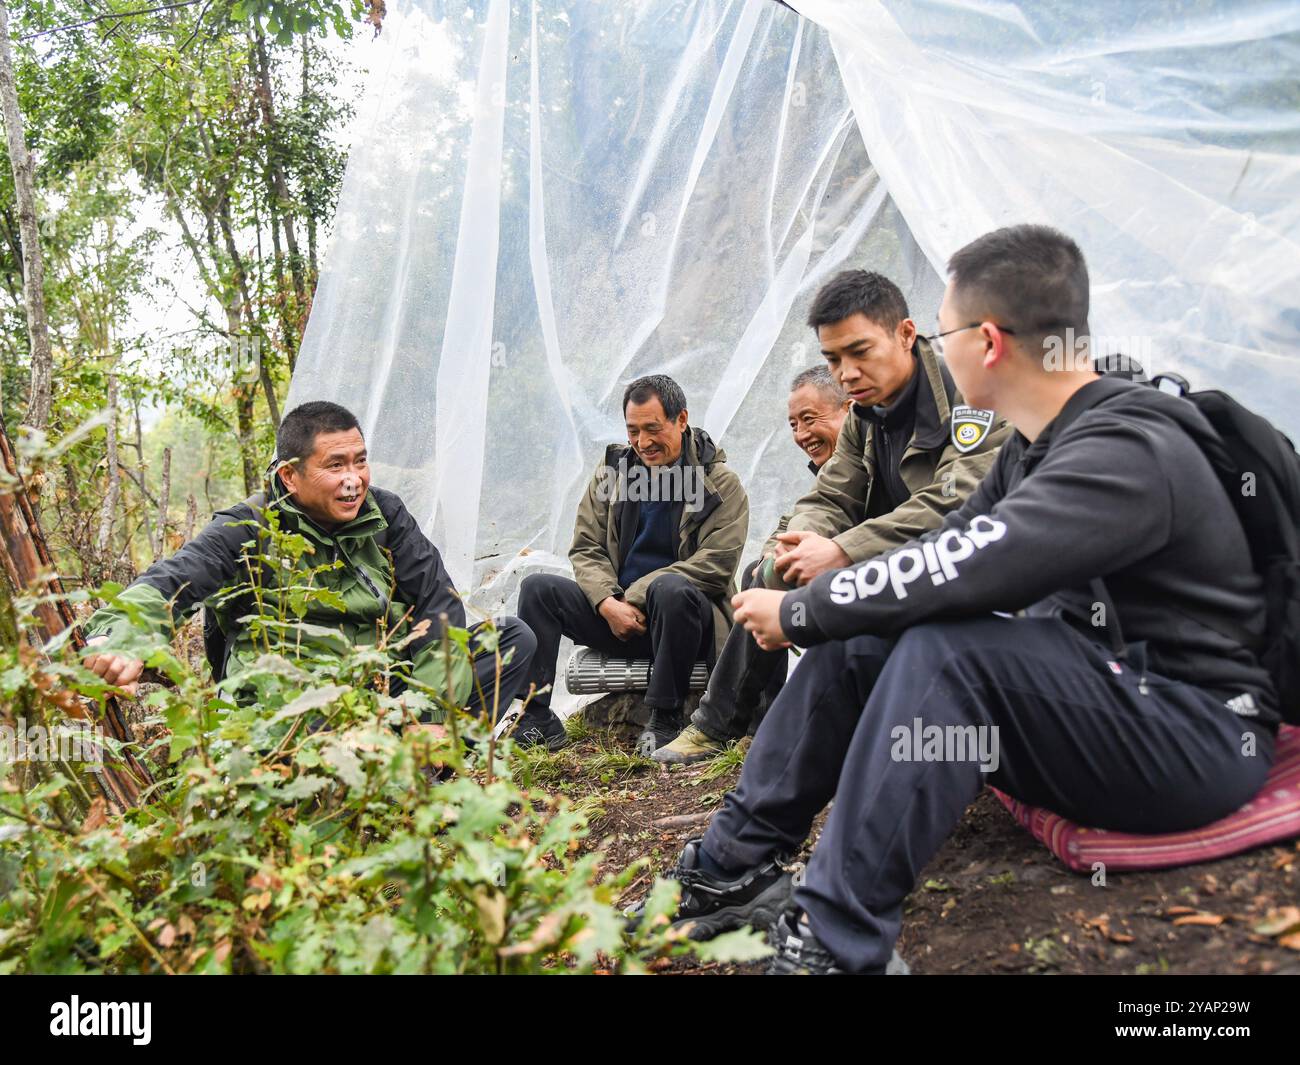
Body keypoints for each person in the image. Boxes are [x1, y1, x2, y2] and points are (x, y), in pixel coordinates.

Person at [649, 225, 1279, 974]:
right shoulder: (1037, 444)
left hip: (1191, 736)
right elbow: (950, 541)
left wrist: (802, 612)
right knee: (868, 639)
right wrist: (827, 604)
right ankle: (732, 863)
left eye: (942, 332)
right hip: (1100, 700)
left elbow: (971, 561)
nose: (935, 351)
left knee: (949, 652)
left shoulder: (1127, 451)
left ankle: (835, 940)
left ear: (986, 341)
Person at [654, 270, 1008, 764]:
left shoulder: (972, 397)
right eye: (833, 359)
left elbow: (955, 503)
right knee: (776, 568)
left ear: (906, 334)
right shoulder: (866, 414)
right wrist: (800, 540)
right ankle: (719, 726)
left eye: (860, 352)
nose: (846, 374)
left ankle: (813, 732)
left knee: (829, 605)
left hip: (964, 568)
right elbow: (831, 496)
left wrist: (843, 549)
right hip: (889, 562)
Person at [82, 401, 536, 726]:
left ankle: (428, 765)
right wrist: (123, 638)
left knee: (511, 638)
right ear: (289, 475)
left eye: (360, 462)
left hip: (381, 684)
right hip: (291, 698)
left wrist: (433, 713)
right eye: (335, 466)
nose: (353, 480)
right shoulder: (250, 525)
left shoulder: (384, 514)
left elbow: (439, 604)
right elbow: (174, 580)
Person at [513, 374, 748, 753]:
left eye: (653, 429)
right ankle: (535, 716)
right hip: (619, 621)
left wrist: (634, 597)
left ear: (681, 419)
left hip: (683, 624)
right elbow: (586, 547)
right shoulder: (613, 474)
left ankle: (665, 719)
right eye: (633, 431)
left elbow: (716, 564)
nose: (643, 442)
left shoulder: (719, 483)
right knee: (538, 590)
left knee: (670, 589)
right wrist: (607, 603)